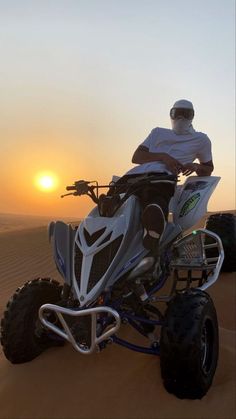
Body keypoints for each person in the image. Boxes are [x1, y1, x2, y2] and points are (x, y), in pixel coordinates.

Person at [119, 99, 214, 255]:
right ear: (171, 114)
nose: (181, 119)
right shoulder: (157, 132)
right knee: (114, 203)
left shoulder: (201, 139)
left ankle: (153, 237)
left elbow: (208, 168)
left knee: (156, 200)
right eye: (177, 114)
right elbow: (136, 157)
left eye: (186, 114)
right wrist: (164, 157)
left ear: (192, 117)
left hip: (162, 178)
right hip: (133, 175)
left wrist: (196, 166)